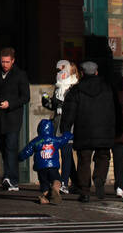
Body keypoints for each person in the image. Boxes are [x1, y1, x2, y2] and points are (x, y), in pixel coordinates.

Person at [60, 59, 115, 202]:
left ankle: (84, 190)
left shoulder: (76, 90)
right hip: (104, 130)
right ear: (96, 72)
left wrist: (65, 128)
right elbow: (113, 110)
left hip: (83, 130)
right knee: (103, 156)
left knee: (84, 160)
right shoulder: (107, 88)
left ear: (82, 73)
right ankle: (99, 178)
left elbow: (69, 112)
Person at [0, 47, 29, 191]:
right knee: (3, 148)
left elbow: (25, 97)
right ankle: (7, 177)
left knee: (11, 147)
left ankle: (12, 179)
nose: (4, 64)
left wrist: (10, 104)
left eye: (7, 62)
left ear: (13, 61)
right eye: (2, 62)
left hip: (13, 117)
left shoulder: (20, 75)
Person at [19, 118, 71, 205]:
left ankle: (45, 197)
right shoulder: (55, 140)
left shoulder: (36, 141)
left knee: (44, 184)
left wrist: (20, 157)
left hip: (41, 167)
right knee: (57, 179)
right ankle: (55, 188)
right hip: (53, 166)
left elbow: (27, 151)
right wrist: (68, 134)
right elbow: (63, 139)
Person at [53, 59, 79, 193]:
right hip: (58, 123)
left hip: (69, 124)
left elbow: (73, 107)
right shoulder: (58, 87)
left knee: (66, 153)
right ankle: (75, 181)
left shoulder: (74, 88)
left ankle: (64, 183)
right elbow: (53, 105)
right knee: (65, 154)